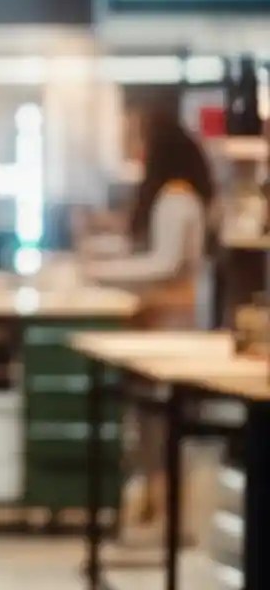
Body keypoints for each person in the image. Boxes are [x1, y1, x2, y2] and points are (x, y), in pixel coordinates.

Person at [80, 103, 215, 536]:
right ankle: (159, 516)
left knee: (161, 430)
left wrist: (102, 273)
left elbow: (163, 263)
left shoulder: (176, 198)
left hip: (171, 328)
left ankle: (167, 521)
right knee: (154, 430)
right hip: (164, 323)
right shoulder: (175, 197)